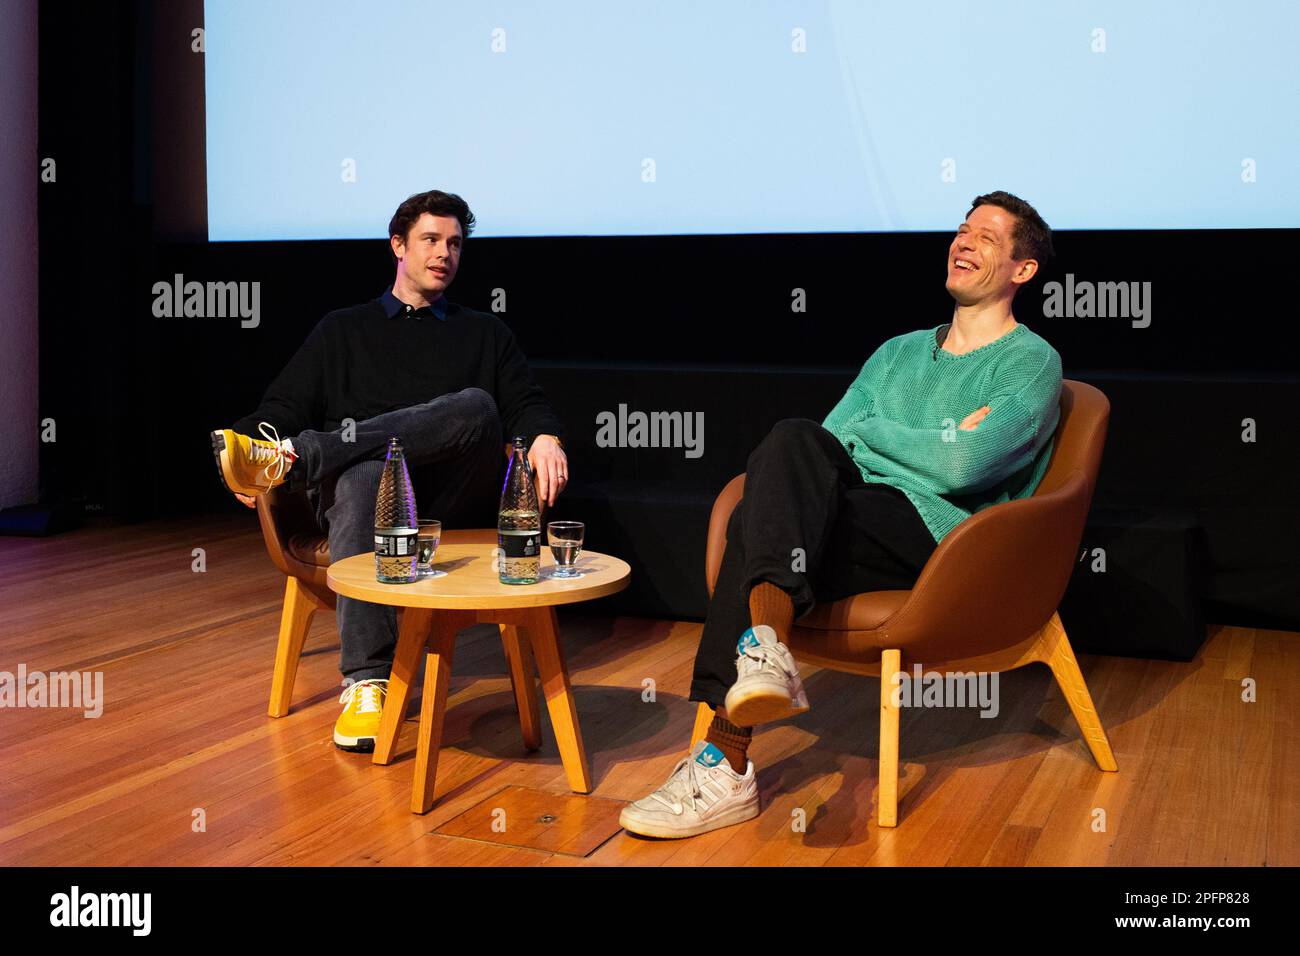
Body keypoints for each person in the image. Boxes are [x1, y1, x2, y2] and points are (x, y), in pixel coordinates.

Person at [618, 191, 1063, 839]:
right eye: (961, 231)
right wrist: (931, 440)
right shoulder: (897, 353)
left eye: (987, 238)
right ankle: (762, 657)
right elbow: (828, 445)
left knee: (761, 519)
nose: (963, 243)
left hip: (941, 540)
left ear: (1023, 270)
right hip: (856, 518)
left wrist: (877, 436)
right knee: (791, 442)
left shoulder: (1031, 361)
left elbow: (964, 465)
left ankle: (724, 758)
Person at [211, 189, 568, 752]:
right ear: (398, 245)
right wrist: (257, 449)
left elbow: (525, 402)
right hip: (365, 505)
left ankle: (312, 454)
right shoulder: (341, 330)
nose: (444, 253)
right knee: (365, 474)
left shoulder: (483, 332)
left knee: (476, 404)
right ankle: (368, 683)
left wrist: (544, 435)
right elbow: (280, 409)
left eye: (454, 243)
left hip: (451, 498)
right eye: (430, 239)